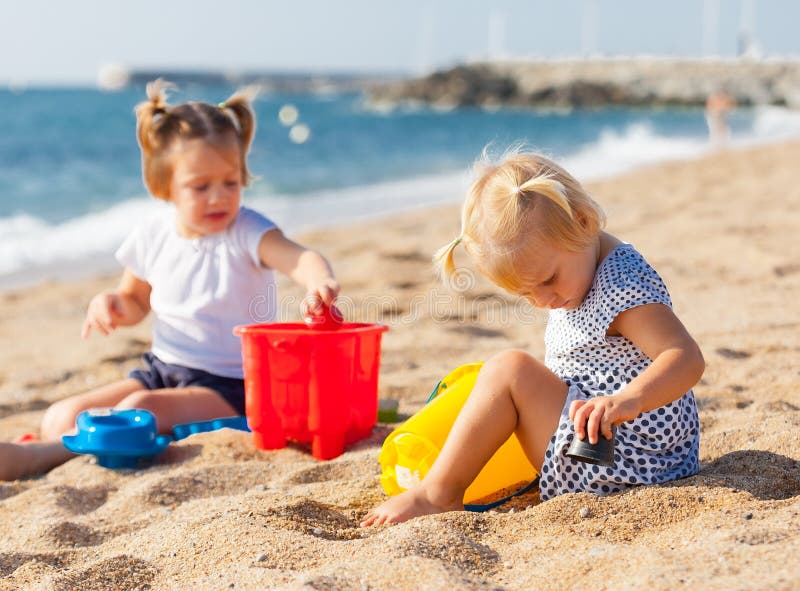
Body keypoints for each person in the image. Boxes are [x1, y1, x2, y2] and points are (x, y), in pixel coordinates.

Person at [0, 81, 340, 481]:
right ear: (164, 186)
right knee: (61, 416)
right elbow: (135, 301)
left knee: (137, 409)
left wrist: (320, 282)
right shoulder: (153, 234)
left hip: (233, 387)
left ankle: (43, 458)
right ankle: (57, 444)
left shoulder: (247, 232)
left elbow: (299, 258)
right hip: (161, 370)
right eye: (200, 187)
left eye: (230, 183)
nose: (219, 197)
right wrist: (112, 303)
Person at [361, 149, 704, 526]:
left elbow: (685, 357)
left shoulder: (623, 287)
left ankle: (437, 495)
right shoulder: (578, 259)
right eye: (526, 294)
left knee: (509, 370)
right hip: (605, 444)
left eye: (547, 281)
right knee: (486, 385)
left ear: (585, 222)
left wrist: (628, 399)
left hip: (630, 459)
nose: (542, 300)